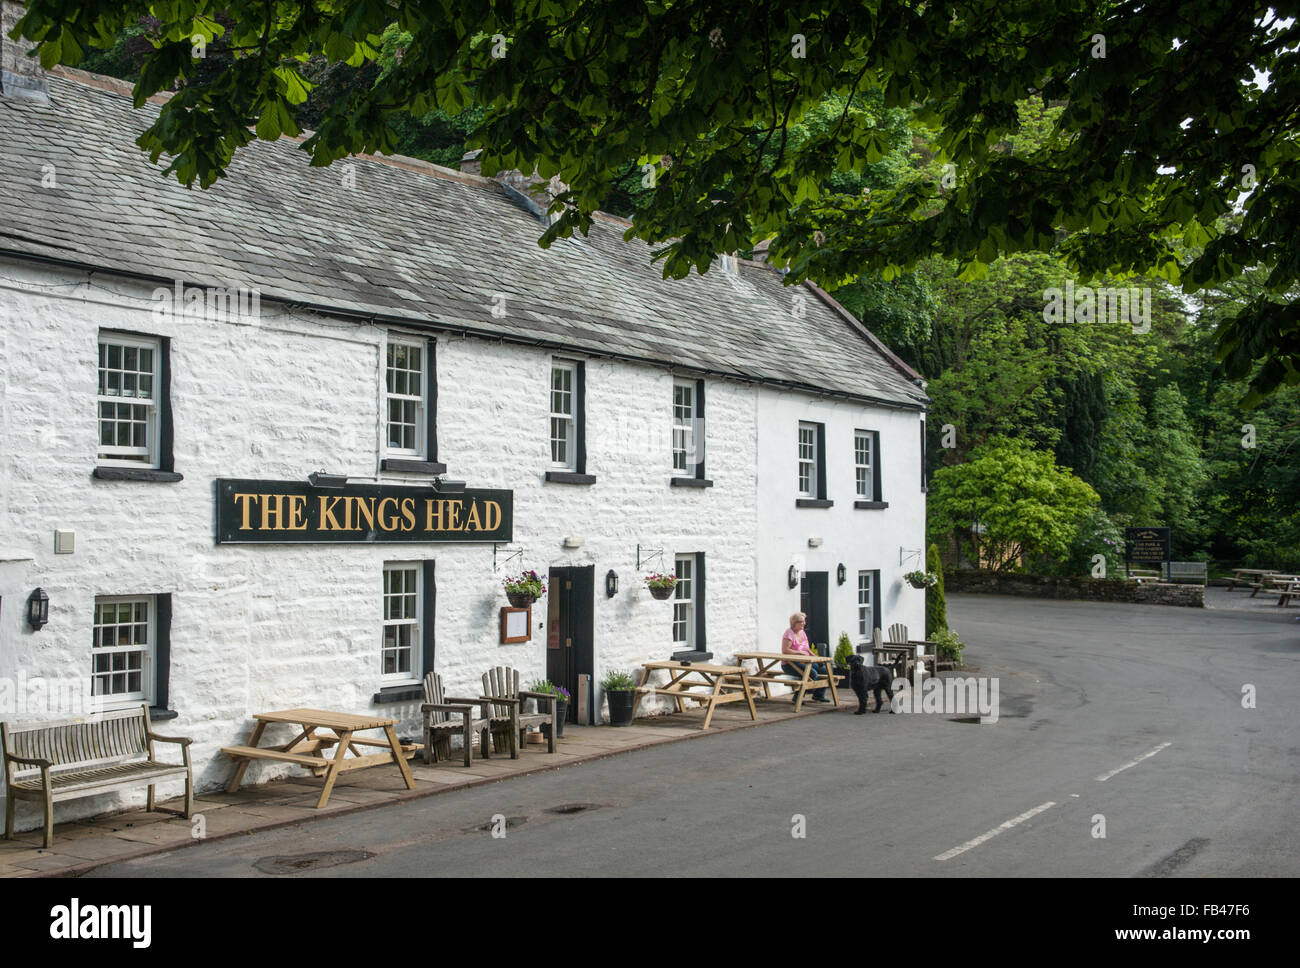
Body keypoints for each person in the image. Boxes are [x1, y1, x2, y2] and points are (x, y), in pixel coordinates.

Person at [781, 612, 829, 703]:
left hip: (804, 661)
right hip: (790, 664)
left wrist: (817, 658)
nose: (804, 623)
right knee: (811, 673)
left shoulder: (802, 632)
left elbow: (807, 649)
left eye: (804, 621)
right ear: (795, 623)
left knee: (824, 669)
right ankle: (797, 697)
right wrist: (799, 653)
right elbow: (785, 650)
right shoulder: (789, 634)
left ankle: (818, 695)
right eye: (802, 622)